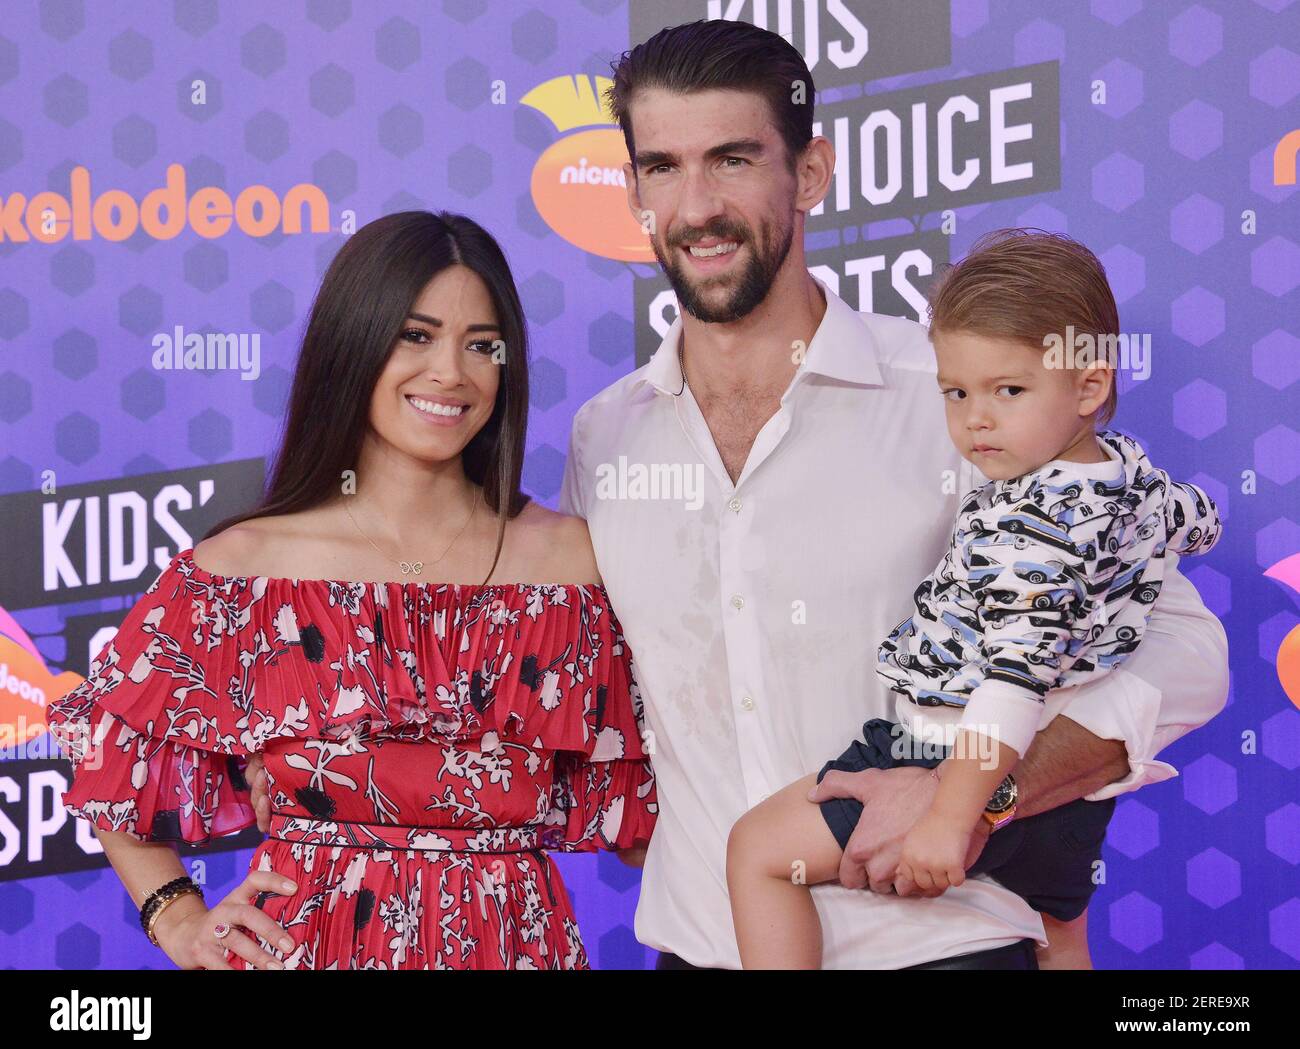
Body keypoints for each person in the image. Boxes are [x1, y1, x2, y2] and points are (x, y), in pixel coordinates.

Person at [558, 19, 1229, 971]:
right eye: (662, 167)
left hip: (946, 948)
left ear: (813, 173)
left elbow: (1188, 652)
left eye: (735, 159)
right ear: (632, 191)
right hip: (701, 946)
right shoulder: (605, 436)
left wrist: (975, 792)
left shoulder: (954, 398)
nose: (697, 204)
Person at [45, 210, 656, 970]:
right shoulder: (247, 568)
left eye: (481, 346)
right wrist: (176, 917)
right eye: (416, 335)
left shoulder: (571, 563)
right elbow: (108, 750)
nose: (450, 374)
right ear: (353, 342)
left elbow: (655, 803)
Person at [725, 229, 1223, 969]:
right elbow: (1198, 518)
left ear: (1089, 387)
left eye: (1007, 391)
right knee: (1060, 942)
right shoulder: (1127, 480)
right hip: (1072, 814)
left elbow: (1015, 678)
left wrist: (949, 814)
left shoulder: (1034, 528)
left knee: (756, 853)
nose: (975, 419)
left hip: (948, 754)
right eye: (956, 393)